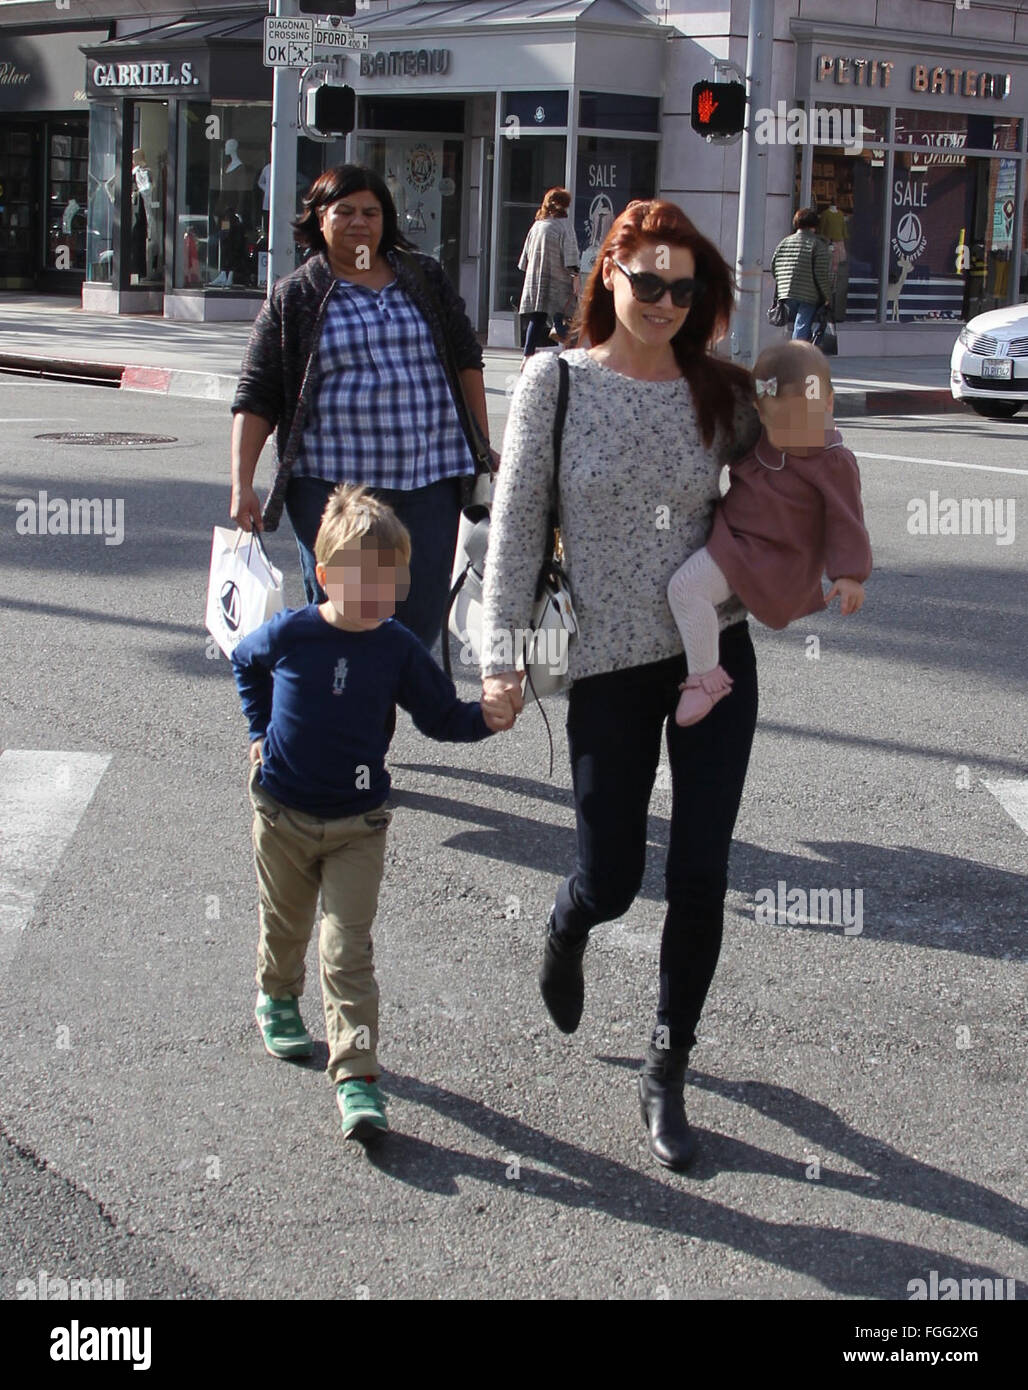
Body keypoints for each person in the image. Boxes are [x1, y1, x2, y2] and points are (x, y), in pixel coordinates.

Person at [481, 198, 762, 1172]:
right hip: (604, 660)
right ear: (605, 274)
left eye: (683, 289)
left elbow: (794, 492)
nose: (664, 302)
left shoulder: (720, 394)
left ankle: (666, 1063)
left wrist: (827, 557)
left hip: (710, 660)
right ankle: (569, 924)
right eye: (647, 282)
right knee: (613, 874)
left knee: (699, 869)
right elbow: (516, 525)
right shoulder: (553, 384)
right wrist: (500, 654)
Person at [232, 485, 512, 1144]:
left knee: (347, 951)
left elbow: (441, 716)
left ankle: (356, 1077)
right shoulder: (295, 632)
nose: (377, 592)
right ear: (325, 575)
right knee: (287, 923)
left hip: (359, 825)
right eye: (361, 577)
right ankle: (276, 996)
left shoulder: (396, 648)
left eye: (391, 579)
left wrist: (487, 718)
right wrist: (258, 727)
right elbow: (247, 661)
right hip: (281, 812)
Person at [230, 164, 496, 651]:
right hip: (335, 492)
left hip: (430, 483)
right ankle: (343, 719)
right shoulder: (296, 296)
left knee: (416, 622)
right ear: (319, 219)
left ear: (386, 220)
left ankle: (375, 715)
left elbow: (465, 361)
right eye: (345, 211)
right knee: (346, 621)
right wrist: (242, 483)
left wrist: (482, 443)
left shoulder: (423, 278)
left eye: (371, 212)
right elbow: (257, 394)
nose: (359, 223)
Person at [667, 340, 872, 726]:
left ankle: (706, 680)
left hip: (771, 555)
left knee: (685, 588)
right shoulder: (761, 432)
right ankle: (702, 672)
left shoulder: (834, 461)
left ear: (828, 404)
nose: (793, 436)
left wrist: (849, 575)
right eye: (780, 426)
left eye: (804, 423)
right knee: (687, 590)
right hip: (731, 536)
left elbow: (846, 519)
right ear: (759, 412)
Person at [517, 187, 581, 359]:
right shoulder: (564, 226)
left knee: (537, 318)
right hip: (558, 280)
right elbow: (571, 255)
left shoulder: (537, 226)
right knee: (567, 317)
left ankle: (527, 357)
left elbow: (525, 258)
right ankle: (570, 356)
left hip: (537, 280)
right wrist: (575, 277)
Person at [770, 207, 832, 341]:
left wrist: (784, 283)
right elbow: (821, 274)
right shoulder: (817, 244)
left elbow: (774, 267)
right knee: (802, 325)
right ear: (814, 225)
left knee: (800, 326)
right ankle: (797, 355)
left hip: (786, 292)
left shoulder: (784, 242)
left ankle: (801, 352)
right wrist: (827, 296)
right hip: (808, 294)